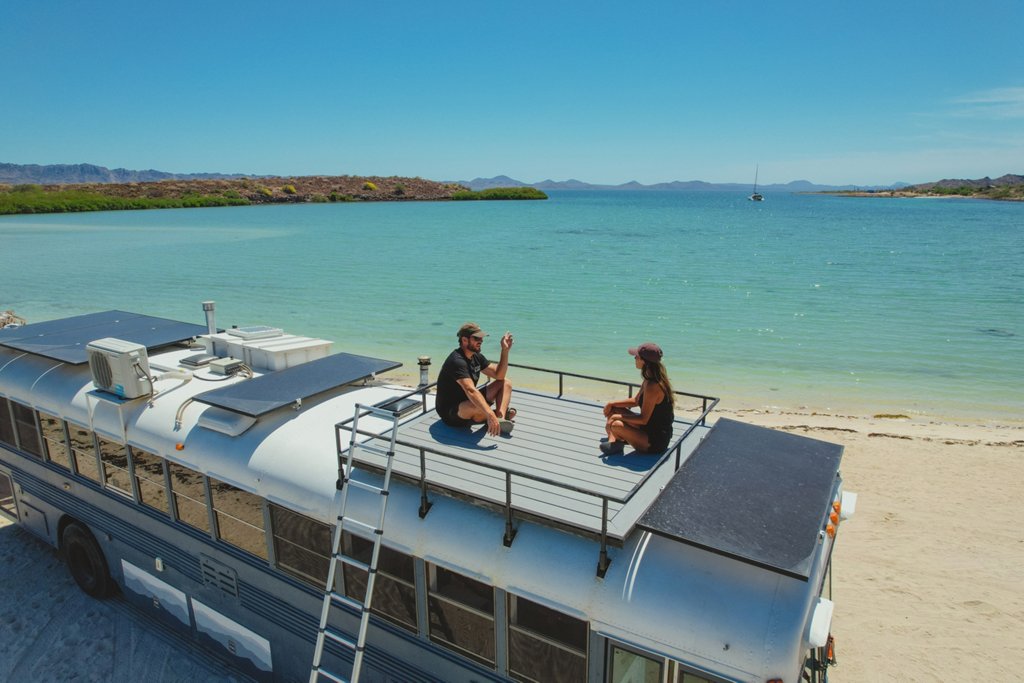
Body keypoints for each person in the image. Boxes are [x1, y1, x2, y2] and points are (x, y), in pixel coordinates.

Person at [435, 322, 516, 436]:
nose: (481, 341)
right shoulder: (457, 361)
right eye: (477, 338)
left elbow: (499, 375)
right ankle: (491, 417)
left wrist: (505, 351)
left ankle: (500, 418)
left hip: (468, 401)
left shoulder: (476, 356)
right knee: (476, 406)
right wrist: (489, 414)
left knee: (505, 382)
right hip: (451, 413)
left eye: (481, 338)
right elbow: (471, 390)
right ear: (464, 340)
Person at [601, 342, 674, 455]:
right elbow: (636, 400)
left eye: (637, 356)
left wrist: (616, 417)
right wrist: (611, 403)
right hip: (647, 427)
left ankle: (615, 440)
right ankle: (616, 440)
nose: (634, 358)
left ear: (644, 361)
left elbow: (643, 419)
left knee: (616, 424)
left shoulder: (653, 386)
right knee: (613, 409)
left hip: (655, 440)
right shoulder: (649, 378)